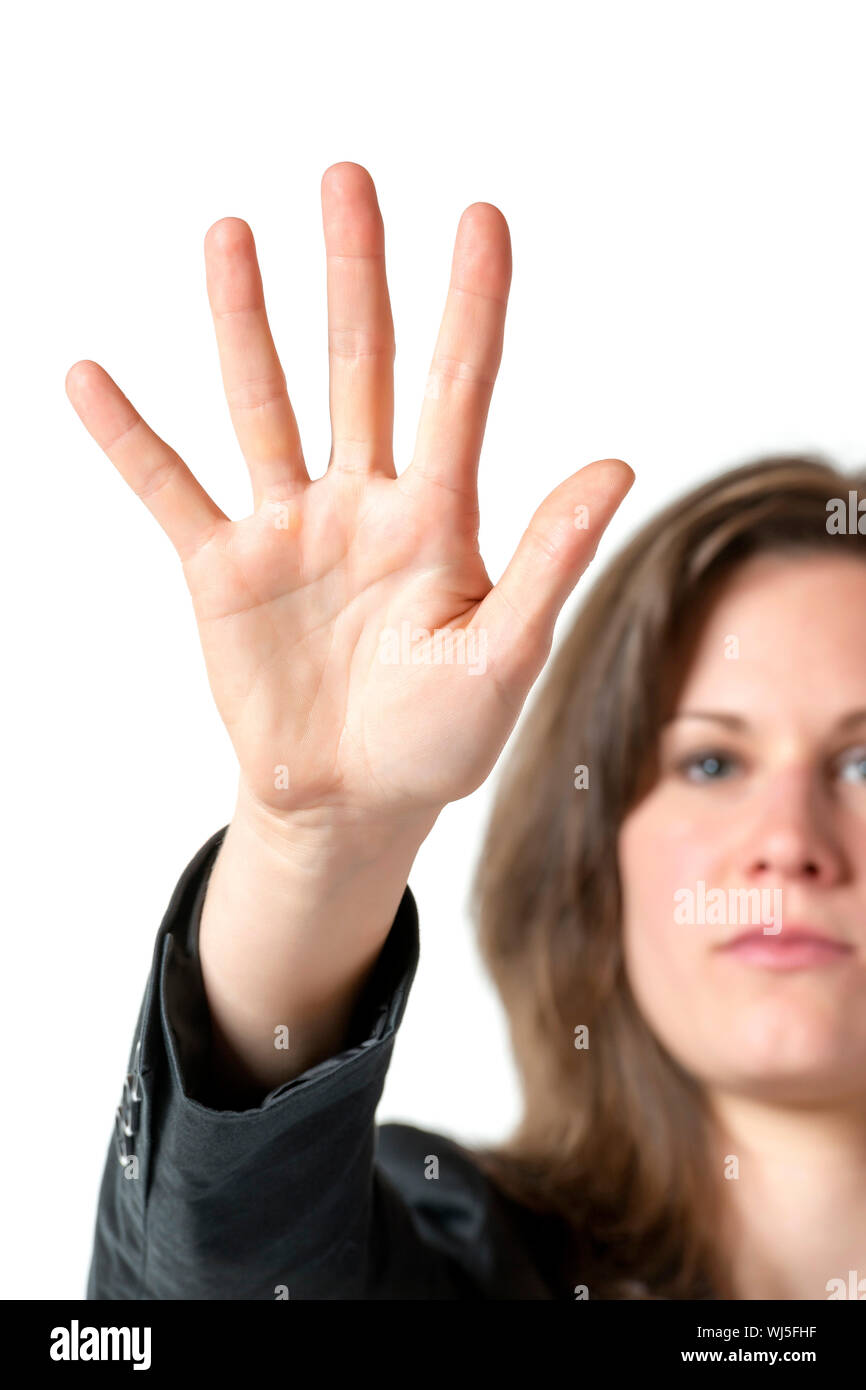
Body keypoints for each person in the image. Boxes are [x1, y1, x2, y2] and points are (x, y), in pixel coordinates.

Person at [67, 163, 866, 1301]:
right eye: (707, 760)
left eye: (862, 760)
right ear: (593, 855)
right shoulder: (461, 1261)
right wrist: (319, 838)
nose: (788, 841)